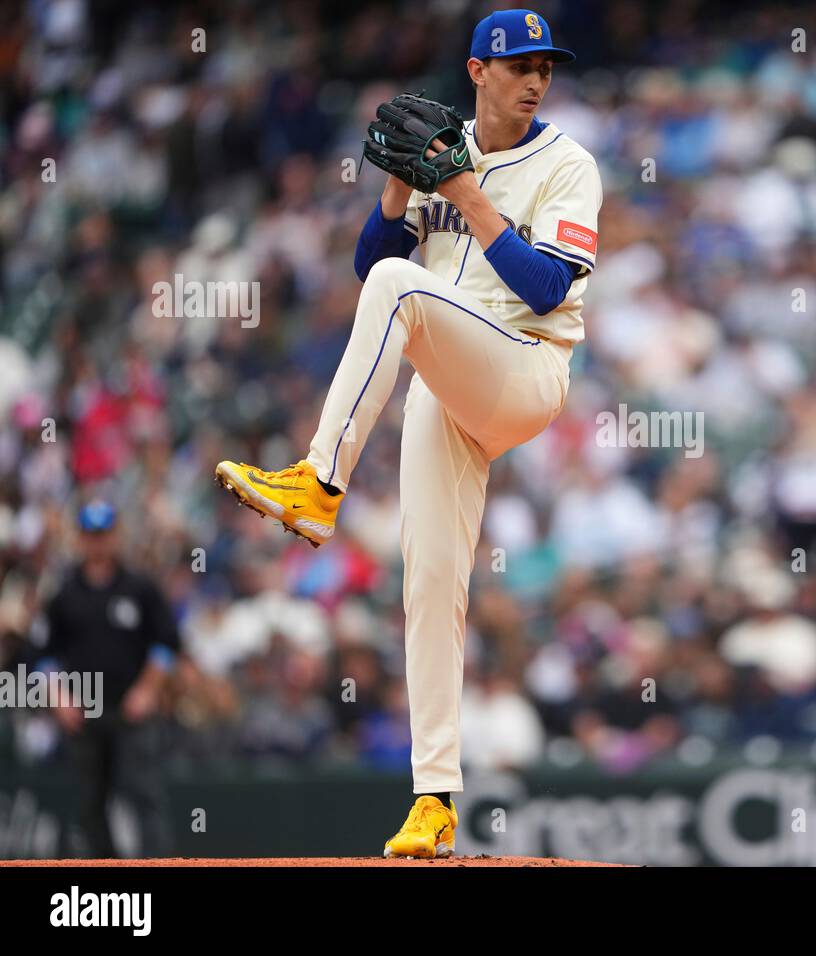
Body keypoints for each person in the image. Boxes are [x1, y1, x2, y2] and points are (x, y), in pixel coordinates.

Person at [215, 8, 601, 858]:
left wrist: (460, 192)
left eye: (546, 64)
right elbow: (366, 267)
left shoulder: (568, 165)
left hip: (524, 369)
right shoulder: (438, 150)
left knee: (402, 283)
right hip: (447, 378)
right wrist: (397, 185)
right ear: (477, 71)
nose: (535, 77)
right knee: (430, 586)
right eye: (518, 63)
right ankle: (435, 802)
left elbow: (544, 290)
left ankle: (318, 484)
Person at [34, 501, 179, 857]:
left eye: (103, 534)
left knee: (143, 796)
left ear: (115, 535)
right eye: (91, 535)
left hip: (132, 712)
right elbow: (43, 654)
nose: (97, 542)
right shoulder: (65, 592)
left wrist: (147, 690)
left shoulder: (140, 588)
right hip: (84, 714)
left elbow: (167, 643)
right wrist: (58, 699)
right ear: (81, 538)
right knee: (89, 803)